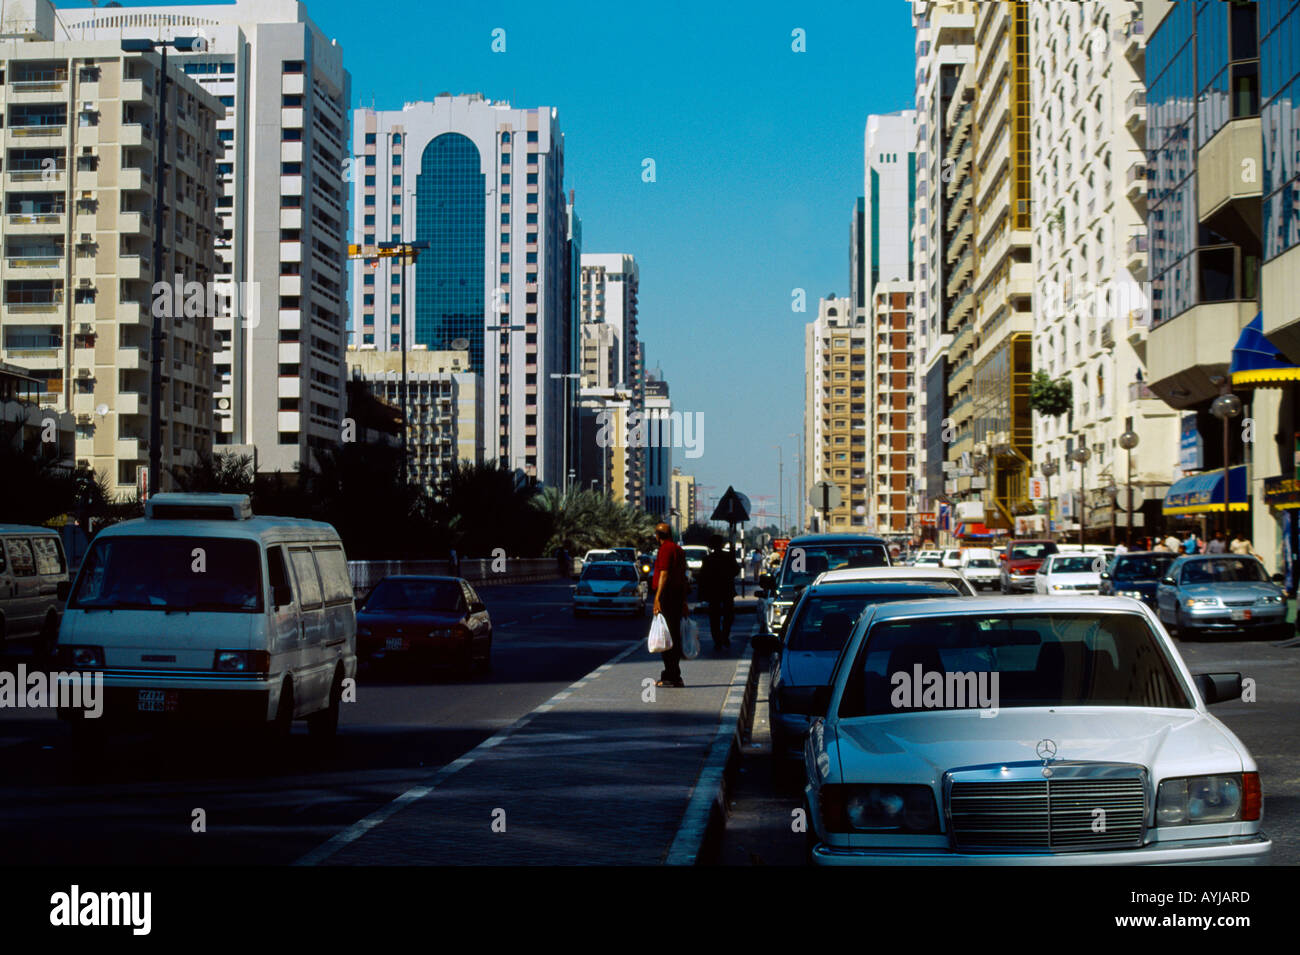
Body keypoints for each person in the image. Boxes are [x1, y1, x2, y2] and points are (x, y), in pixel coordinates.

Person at [651, 522, 689, 688]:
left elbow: (664, 574)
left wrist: (657, 598)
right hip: (677, 596)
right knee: (672, 635)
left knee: (666, 637)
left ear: (658, 536)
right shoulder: (678, 549)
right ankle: (672, 674)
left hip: (668, 596)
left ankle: (672, 676)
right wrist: (684, 601)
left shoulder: (666, 549)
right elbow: (683, 576)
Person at [699, 535, 738, 651]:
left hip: (714, 591)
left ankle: (718, 640)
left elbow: (703, 577)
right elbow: (736, 570)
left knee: (714, 617)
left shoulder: (707, 559)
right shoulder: (728, 556)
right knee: (728, 616)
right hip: (726, 590)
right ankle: (724, 636)